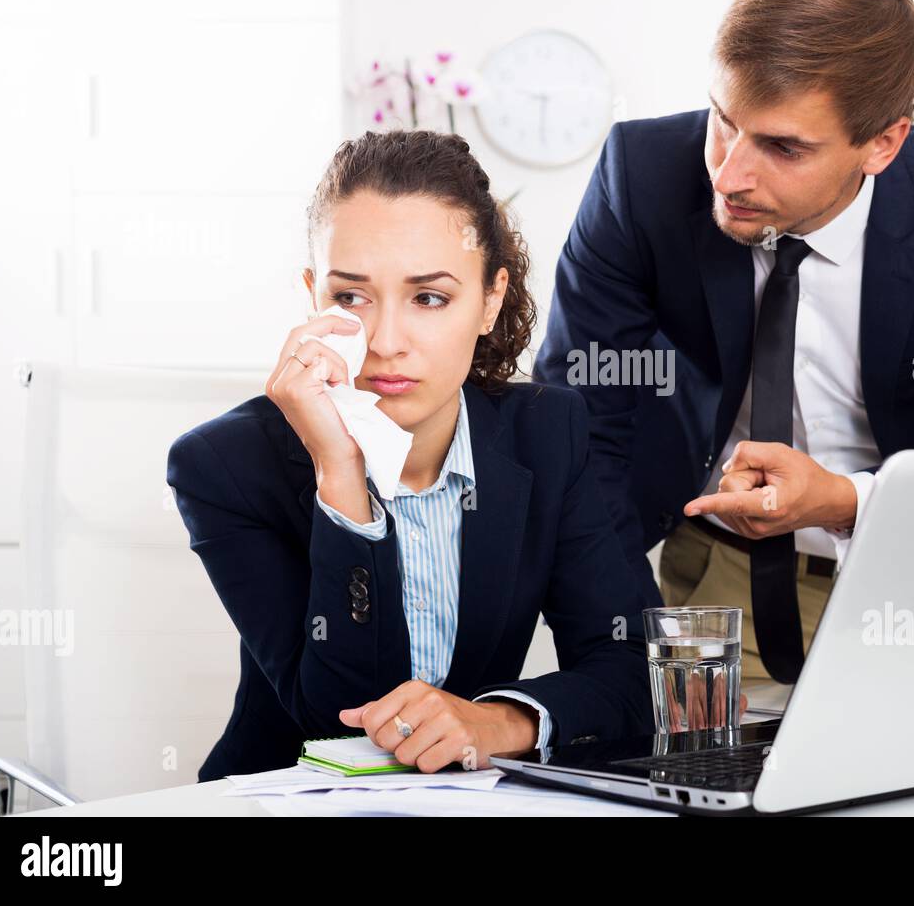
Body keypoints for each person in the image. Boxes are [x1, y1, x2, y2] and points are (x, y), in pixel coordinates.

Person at [535, 0, 914, 685]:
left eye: (782, 147)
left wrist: (843, 501)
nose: (730, 173)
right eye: (722, 120)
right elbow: (582, 437)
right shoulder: (639, 176)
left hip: (913, 586)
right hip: (711, 589)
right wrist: (623, 663)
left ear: (883, 143)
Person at [167, 130, 661, 779]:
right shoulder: (225, 465)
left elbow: (632, 675)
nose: (387, 341)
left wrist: (498, 722)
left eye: (430, 297)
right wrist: (340, 476)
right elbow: (338, 714)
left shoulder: (548, 433)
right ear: (313, 295)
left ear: (489, 299)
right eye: (350, 297)